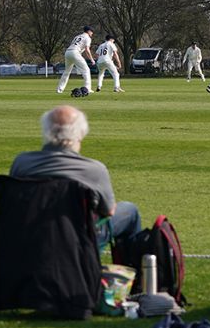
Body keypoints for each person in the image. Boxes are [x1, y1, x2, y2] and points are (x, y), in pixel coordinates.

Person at [9, 105, 141, 249]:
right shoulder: (94, 170)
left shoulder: (21, 163)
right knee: (130, 211)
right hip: (78, 241)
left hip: (29, 234)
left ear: (46, 130)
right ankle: (134, 266)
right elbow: (108, 211)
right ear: (81, 133)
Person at [57, 26, 96, 94]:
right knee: (86, 70)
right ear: (89, 31)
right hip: (75, 52)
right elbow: (87, 50)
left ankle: (60, 89)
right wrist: (92, 59)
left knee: (66, 72)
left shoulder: (77, 36)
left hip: (68, 52)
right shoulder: (87, 38)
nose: (92, 33)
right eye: (92, 32)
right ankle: (88, 88)